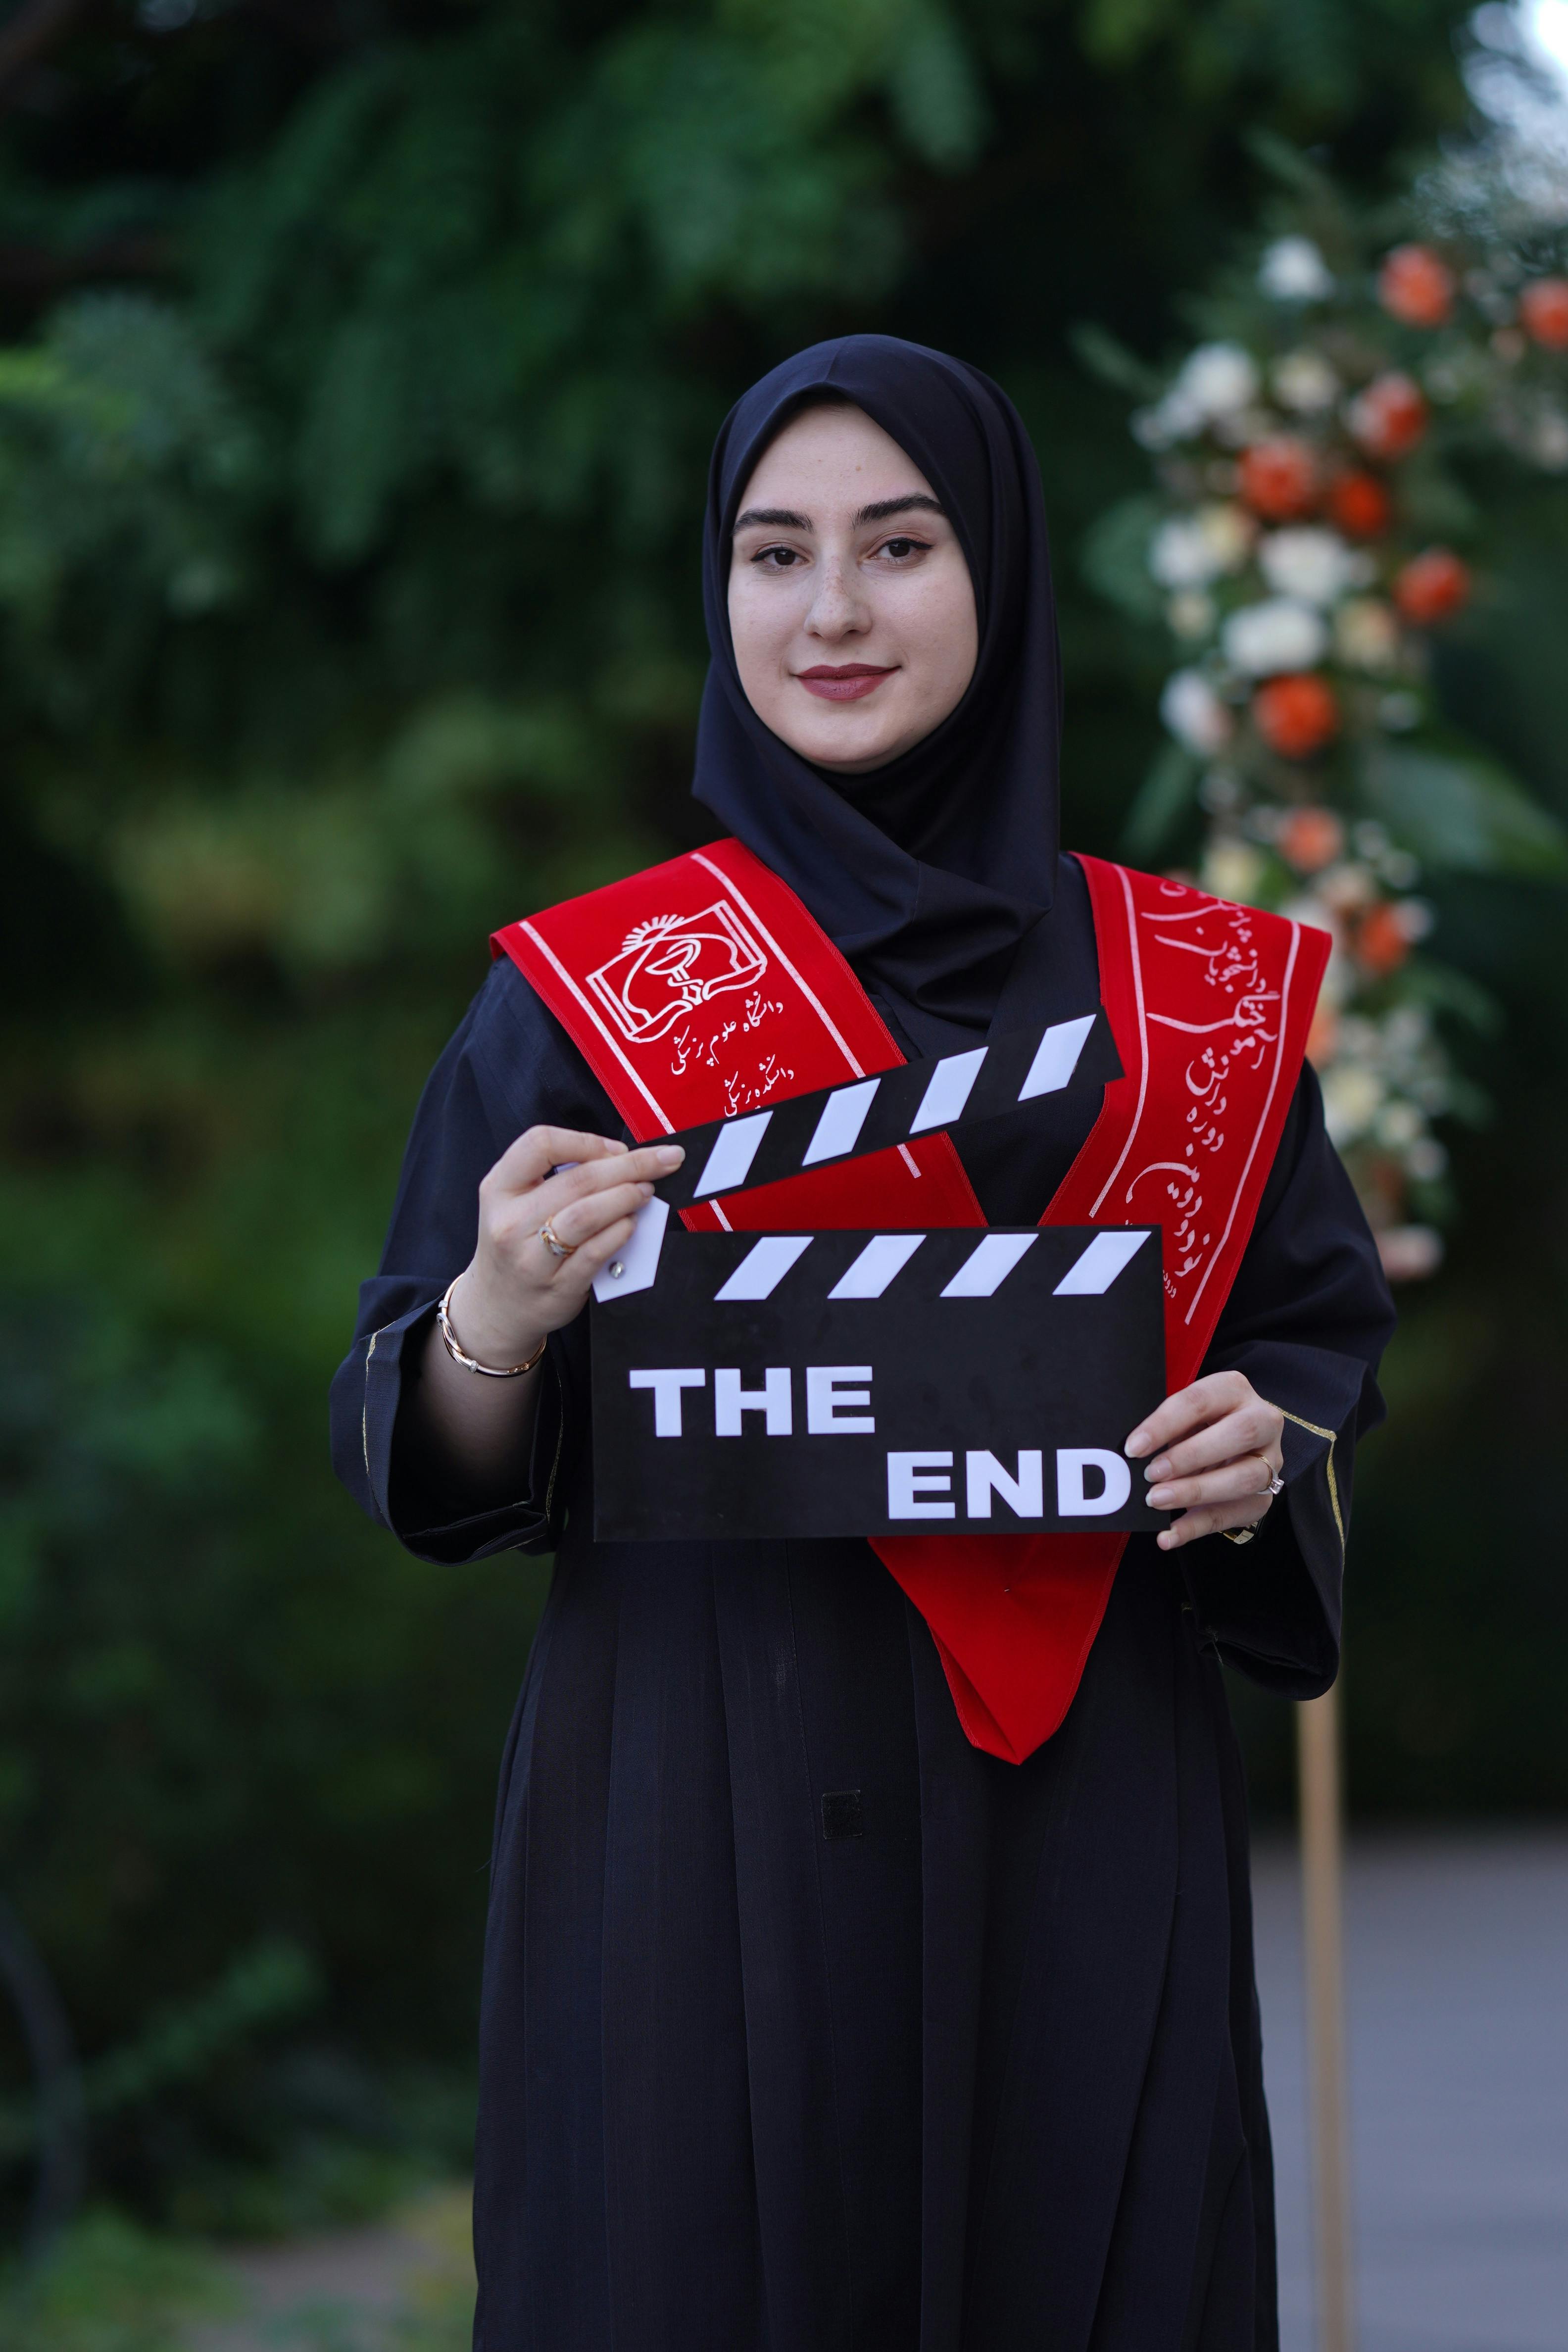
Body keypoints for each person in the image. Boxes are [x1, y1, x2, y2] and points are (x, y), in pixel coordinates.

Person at [331, 336, 1394, 2352]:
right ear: (718, 597)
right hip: (697, 1827)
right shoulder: (589, 998)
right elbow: (428, 1437)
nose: (829, 611)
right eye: (774, 552)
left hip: (1091, 1825)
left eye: (897, 546)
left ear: (995, 568)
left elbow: (1311, 1360)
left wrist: (1269, 1450)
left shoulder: (1195, 1000)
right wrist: (492, 1317)